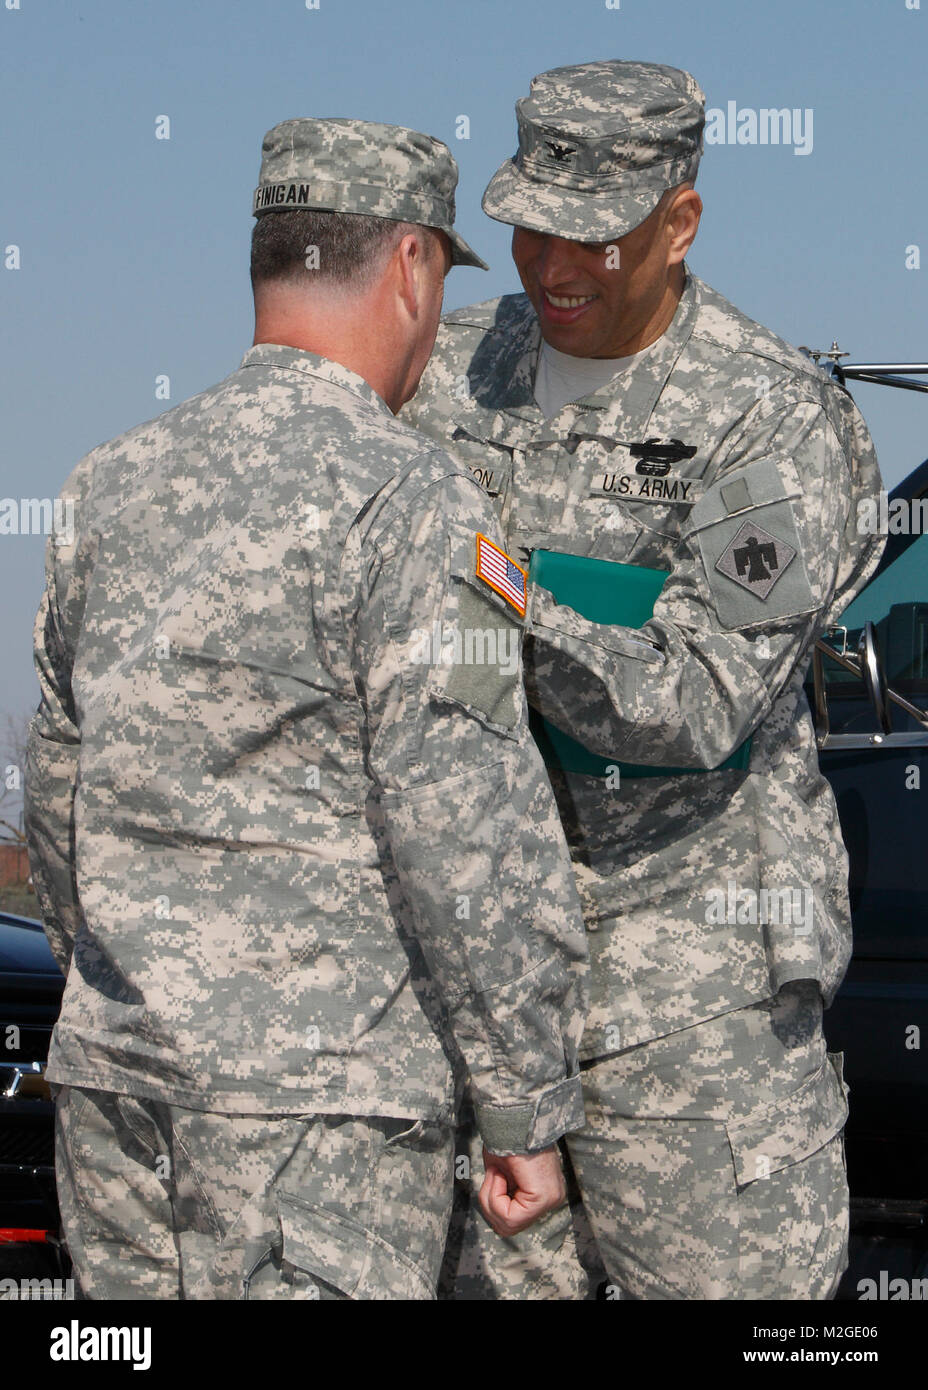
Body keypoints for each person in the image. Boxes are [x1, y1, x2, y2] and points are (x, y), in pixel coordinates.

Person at [24, 116, 589, 1301]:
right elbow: (466, 825)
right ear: (410, 266)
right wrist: (525, 1104)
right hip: (320, 1112)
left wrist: (120, 987)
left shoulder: (109, 481)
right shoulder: (416, 498)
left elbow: (58, 786)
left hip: (120, 1092)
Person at [403, 60, 885, 1300]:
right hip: (479, 994)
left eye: (594, 239)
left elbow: (695, 699)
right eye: (528, 229)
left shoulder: (767, 416)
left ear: (678, 224)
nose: (554, 268)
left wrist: (493, 593)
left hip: (693, 1008)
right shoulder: (443, 380)